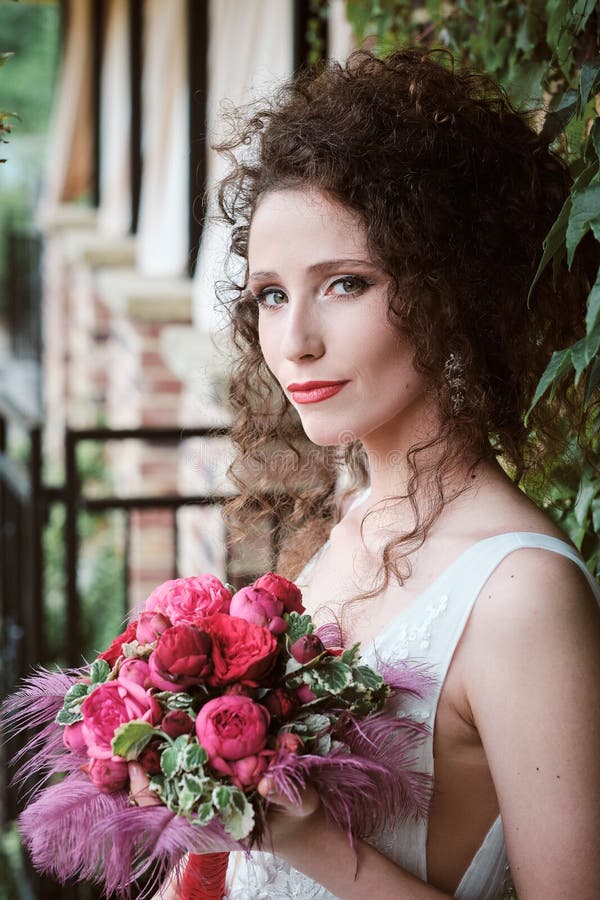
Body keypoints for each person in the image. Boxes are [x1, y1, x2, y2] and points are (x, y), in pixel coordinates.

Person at [134, 49, 600, 899]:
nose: (296, 341)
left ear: (449, 290)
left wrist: (317, 845)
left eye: (345, 283)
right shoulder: (357, 521)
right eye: (272, 294)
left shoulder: (519, 593)